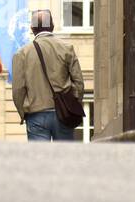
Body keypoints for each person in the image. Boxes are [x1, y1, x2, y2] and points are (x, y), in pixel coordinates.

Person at [11, 9, 85, 142]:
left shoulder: (21, 54)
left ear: (32, 28)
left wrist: (23, 113)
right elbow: (79, 83)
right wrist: (73, 104)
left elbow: (18, 90)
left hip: (36, 114)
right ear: (52, 25)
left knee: (40, 159)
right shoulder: (66, 48)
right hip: (64, 113)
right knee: (63, 158)